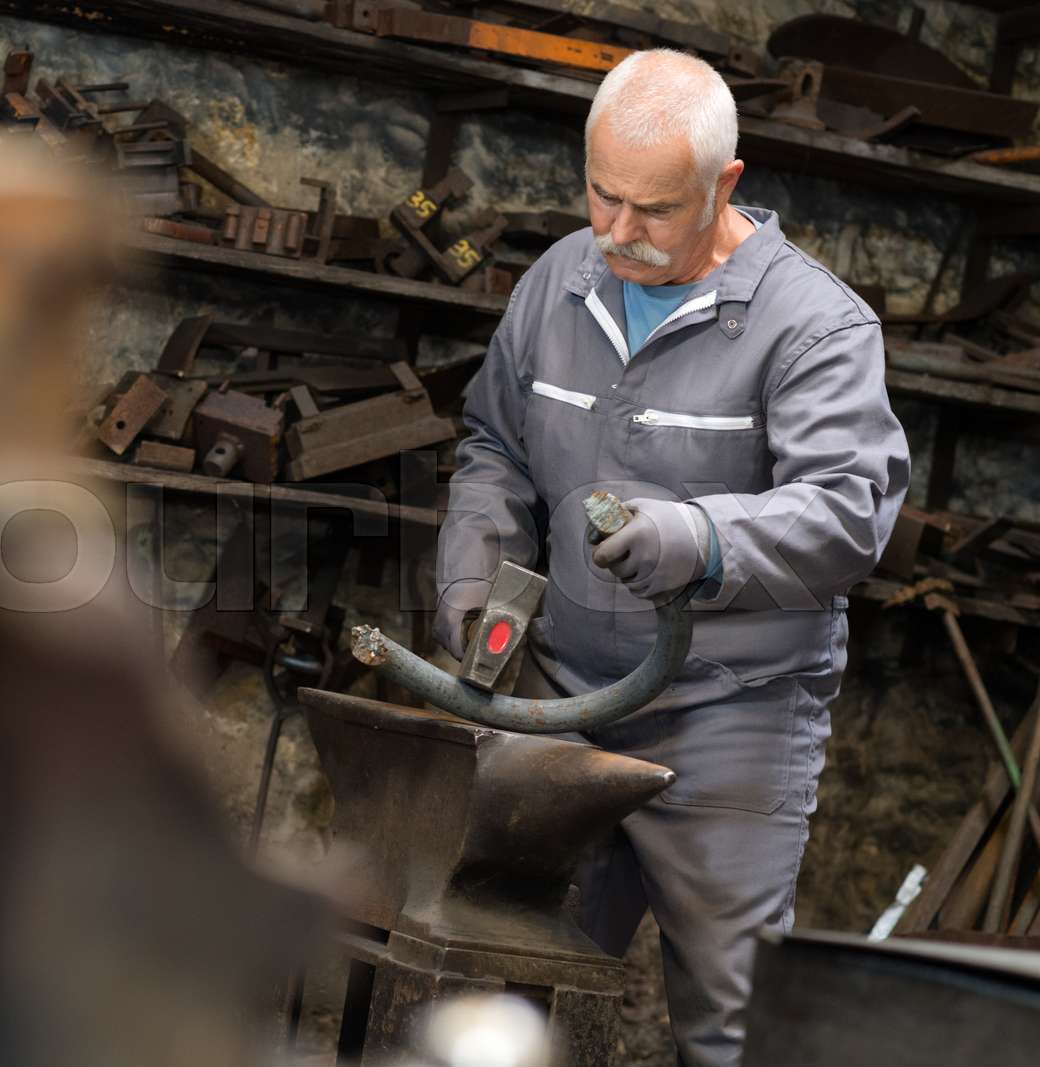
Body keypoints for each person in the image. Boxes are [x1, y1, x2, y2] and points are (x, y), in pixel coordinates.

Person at [434, 49, 909, 1067]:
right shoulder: (560, 281)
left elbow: (844, 517)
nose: (616, 233)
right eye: (601, 195)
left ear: (722, 184)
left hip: (732, 706)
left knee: (728, 1022)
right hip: (563, 693)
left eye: (651, 210)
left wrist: (695, 538)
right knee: (507, 994)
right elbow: (494, 449)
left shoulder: (815, 326)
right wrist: (474, 573)